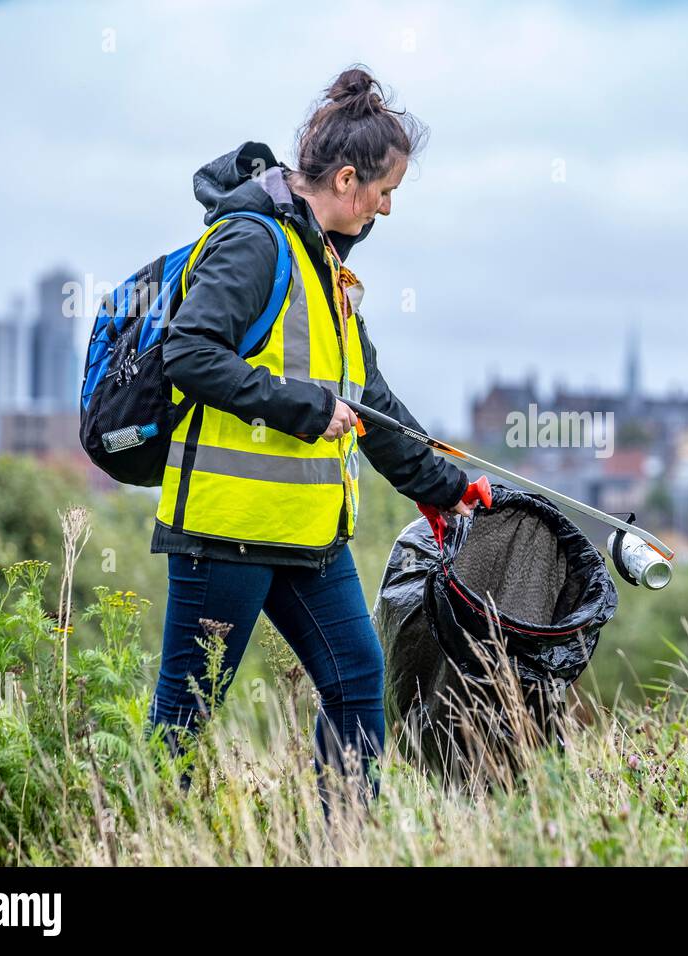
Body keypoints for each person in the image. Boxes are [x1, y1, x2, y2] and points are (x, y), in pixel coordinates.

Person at [146, 65, 477, 820]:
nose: (388, 209)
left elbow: (372, 407)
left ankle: (342, 846)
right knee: (183, 721)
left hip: (308, 539)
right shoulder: (253, 244)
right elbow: (188, 354)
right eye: (386, 191)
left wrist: (447, 487)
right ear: (351, 179)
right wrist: (300, 408)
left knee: (359, 686)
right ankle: (138, 840)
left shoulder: (325, 267)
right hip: (225, 534)